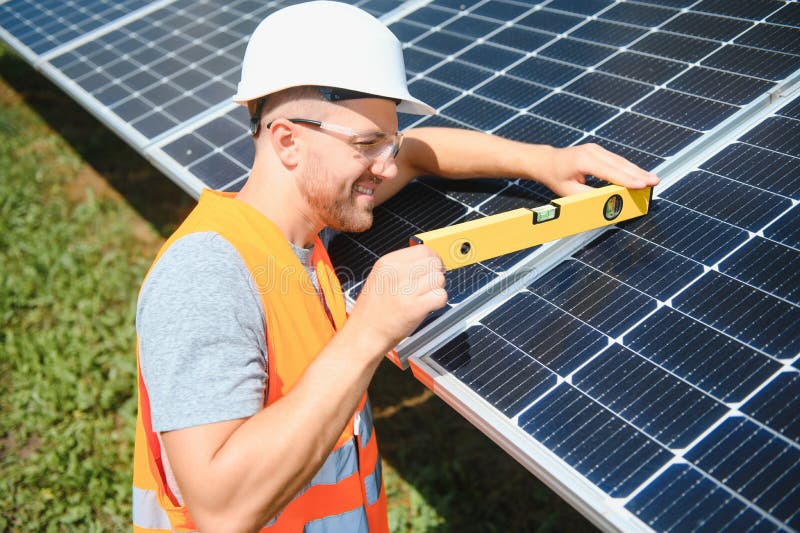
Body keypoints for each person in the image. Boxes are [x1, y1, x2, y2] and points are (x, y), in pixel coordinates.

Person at [131, 2, 659, 531]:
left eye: (390, 140)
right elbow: (222, 509)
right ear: (287, 141)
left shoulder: (304, 224)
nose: (385, 166)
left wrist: (546, 161)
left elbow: (417, 155)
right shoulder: (206, 274)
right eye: (366, 144)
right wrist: (369, 332)